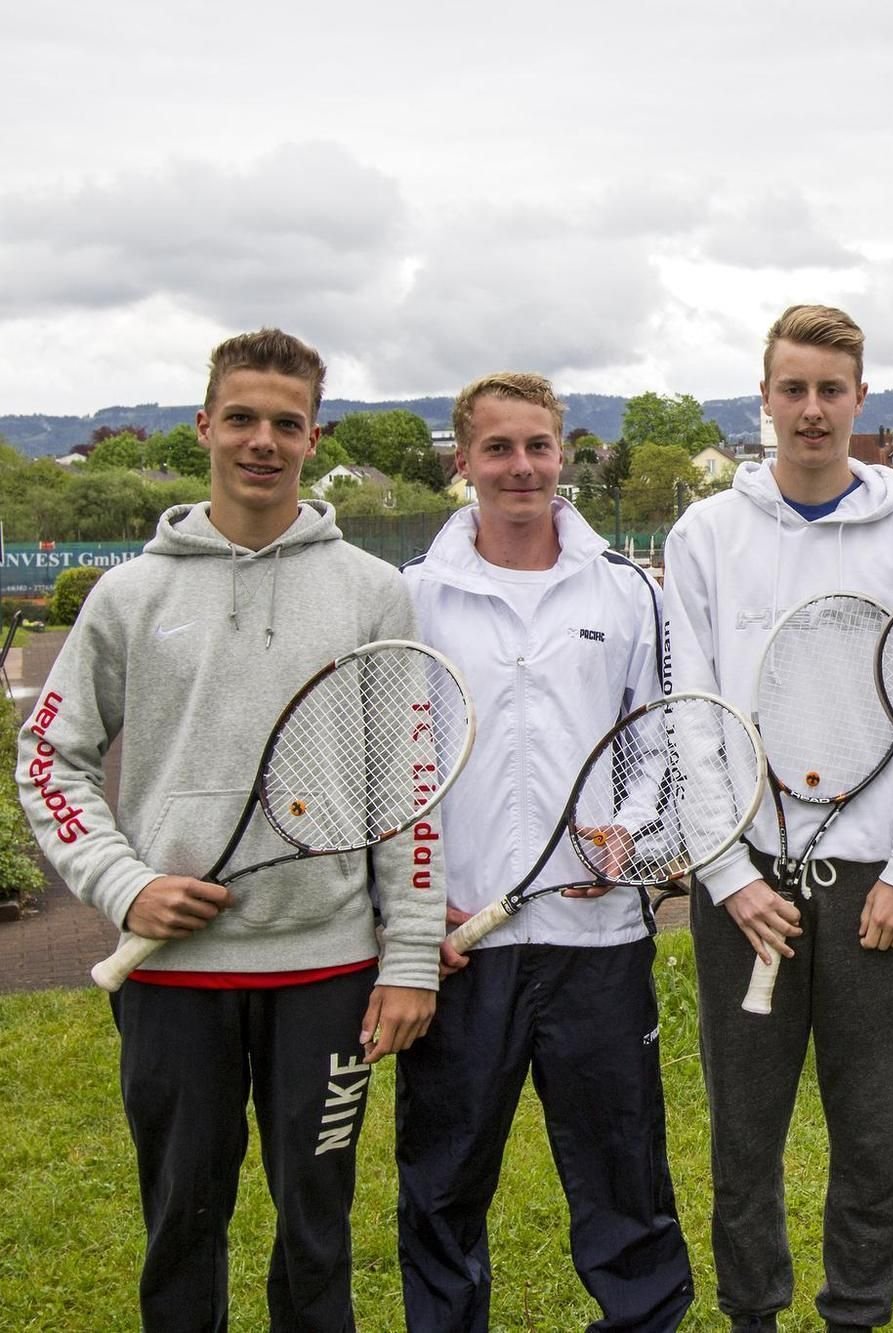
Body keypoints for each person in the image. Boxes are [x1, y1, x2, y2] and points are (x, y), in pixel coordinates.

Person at [15, 328, 442, 1330]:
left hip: (328, 975)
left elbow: (408, 781)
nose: (262, 439)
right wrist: (124, 887)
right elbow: (48, 758)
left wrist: (411, 954)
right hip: (170, 973)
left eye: (285, 424)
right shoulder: (130, 594)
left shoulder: (372, 591)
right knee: (181, 1226)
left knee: (316, 1233)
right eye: (241, 417)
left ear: (311, 437)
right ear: (204, 425)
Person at [664, 304, 893, 1333]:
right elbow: (690, 717)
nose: (809, 410)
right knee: (742, 1137)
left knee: (874, 1133)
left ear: (858, 399)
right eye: (790, 389)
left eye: (828, 390)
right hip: (746, 886)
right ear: (764, 398)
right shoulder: (706, 534)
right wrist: (729, 876)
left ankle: (855, 1316)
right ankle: (752, 1314)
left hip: (875, 889)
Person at [395, 372, 696, 1330]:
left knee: (625, 1184)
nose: (520, 466)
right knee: (443, 1190)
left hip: (598, 939)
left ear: (561, 453)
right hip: (460, 944)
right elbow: (389, 761)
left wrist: (635, 832)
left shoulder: (626, 592)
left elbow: (657, 741)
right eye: (498, 448)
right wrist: (406, 912)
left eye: (538, 446)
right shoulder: (413, 597)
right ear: (464, 463)